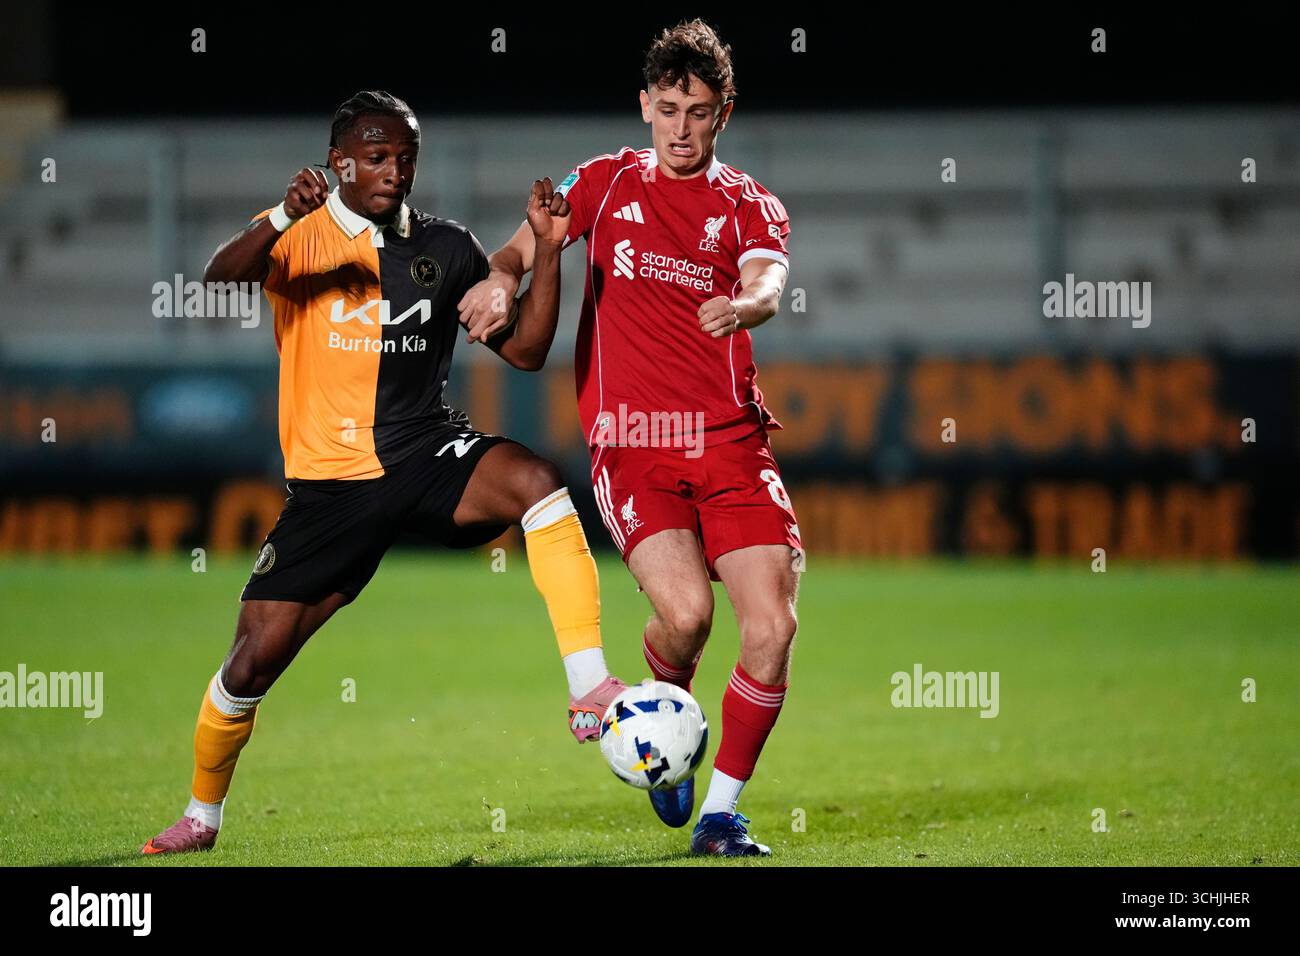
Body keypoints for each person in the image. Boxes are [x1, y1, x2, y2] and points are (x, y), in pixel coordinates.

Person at [141, 90, 625, 855]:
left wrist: (549, 250)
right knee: (247, 666)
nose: (394, 171)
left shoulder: (447, 247)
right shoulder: (301, 238)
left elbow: (528, 352)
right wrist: (277, 216)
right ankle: (202, 817)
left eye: (405, 158)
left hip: (426, 454)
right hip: (330, 490)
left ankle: (589, 685)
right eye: (376, 158)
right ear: (339, 164)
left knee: (536, 481)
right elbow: (214, 279)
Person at [459, 22, 801, 857]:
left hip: (728, 444)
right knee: (684, 618)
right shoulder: (607, 183)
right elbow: (515, 250)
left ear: (726, 115)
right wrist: (499, 287)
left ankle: (719, 814)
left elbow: (768, 276)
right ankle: (668, 717)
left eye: (701, 112)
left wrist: (748, 306)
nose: (682, 128)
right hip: (633, 446)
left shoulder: (748, 204)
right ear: (645, 105)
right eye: (669, 108)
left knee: (773, 627)